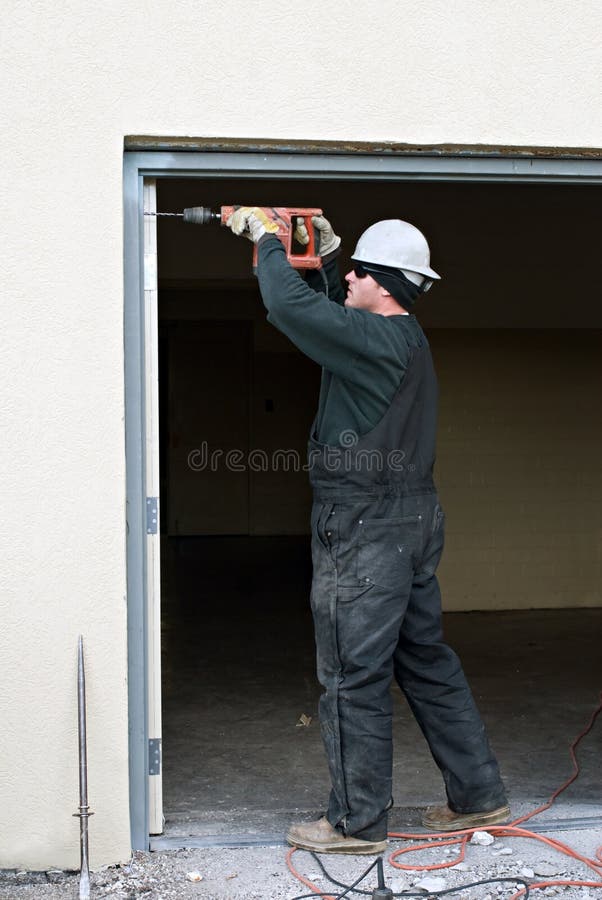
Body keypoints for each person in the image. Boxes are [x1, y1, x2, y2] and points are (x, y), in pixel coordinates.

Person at [227, 208, 509, 854]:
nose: (348, 274)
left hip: (364, 530)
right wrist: (326, 259)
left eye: (356, 270)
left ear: (384, 286)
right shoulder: (402, 339)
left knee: (353, 673)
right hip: (411, 522)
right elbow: (334, 318)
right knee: (426, 660)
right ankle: (479, 794)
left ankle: (356, 825)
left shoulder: (373, 340)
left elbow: (293, 311)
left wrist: (267, 240)